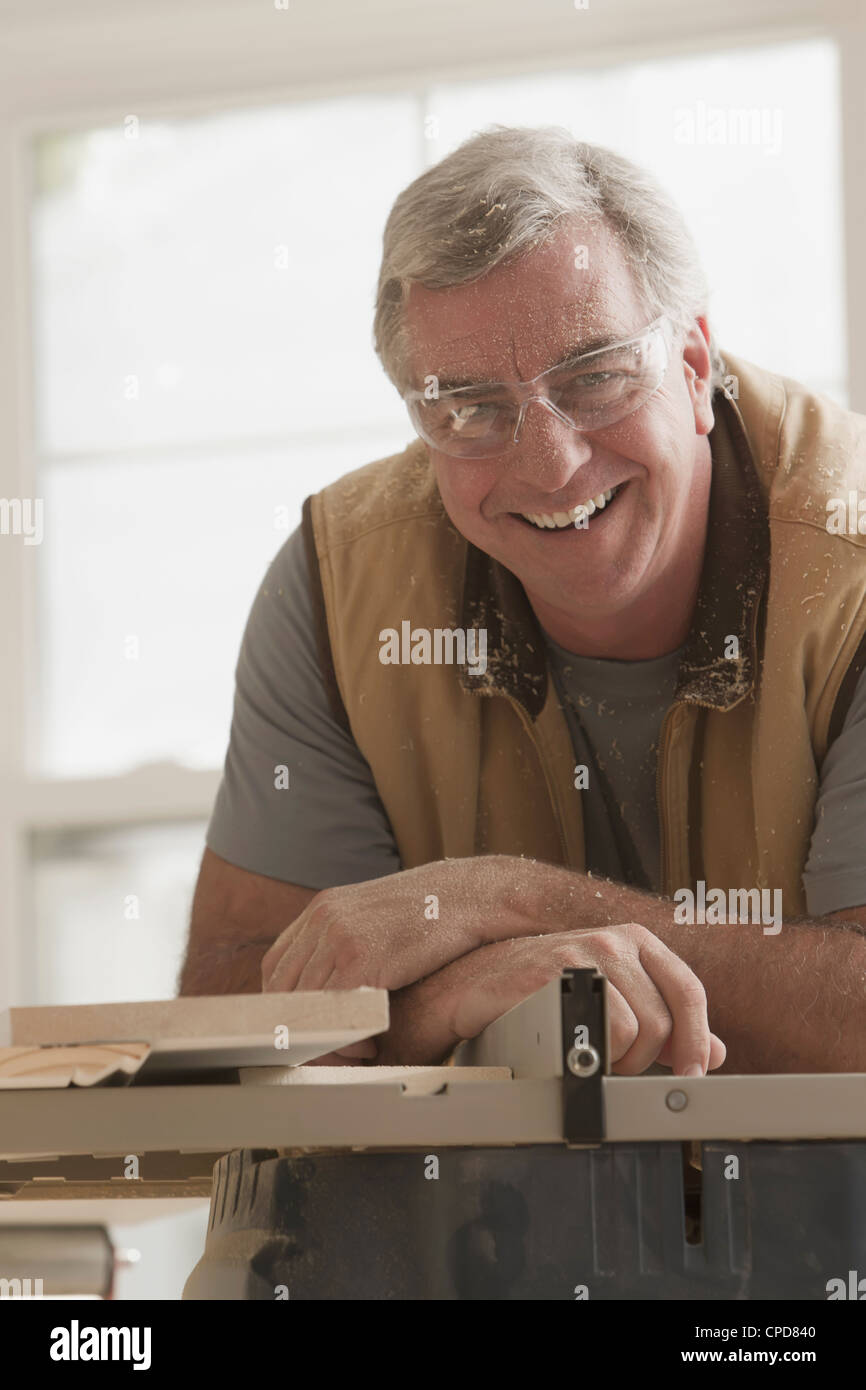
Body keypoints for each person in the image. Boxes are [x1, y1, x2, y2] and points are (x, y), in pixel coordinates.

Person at [180, 125, 866, 1077]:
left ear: (696, 364)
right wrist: (449, 1000)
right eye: (470, 409)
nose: (551, 465)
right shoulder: (334, 584)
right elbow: (223, 1008)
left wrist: (510, 899)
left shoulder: (854, 565)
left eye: (596, 377)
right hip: (476, 1226)